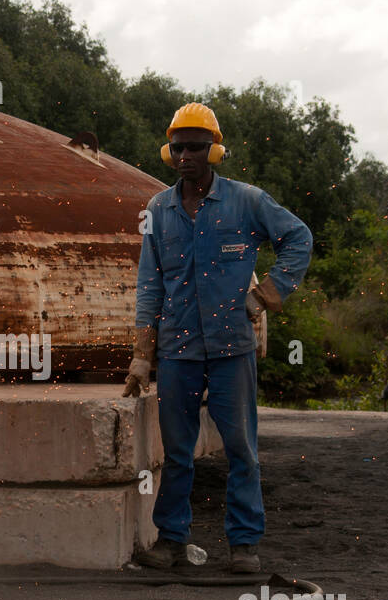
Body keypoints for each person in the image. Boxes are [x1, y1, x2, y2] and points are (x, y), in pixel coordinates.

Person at [123, 103, 312, 573]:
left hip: (233, 348)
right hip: (178, 349)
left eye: (197, 147)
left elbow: (299, 238)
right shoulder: (159, 211)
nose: (187, 154)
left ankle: (244, 546)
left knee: (241, 448)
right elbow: (150, 286)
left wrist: (267, 294)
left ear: (215, 151)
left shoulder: (246, 202)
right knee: (178, 450)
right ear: (170, 152)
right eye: (179, 147)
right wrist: (141, 358)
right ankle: (171, 541)